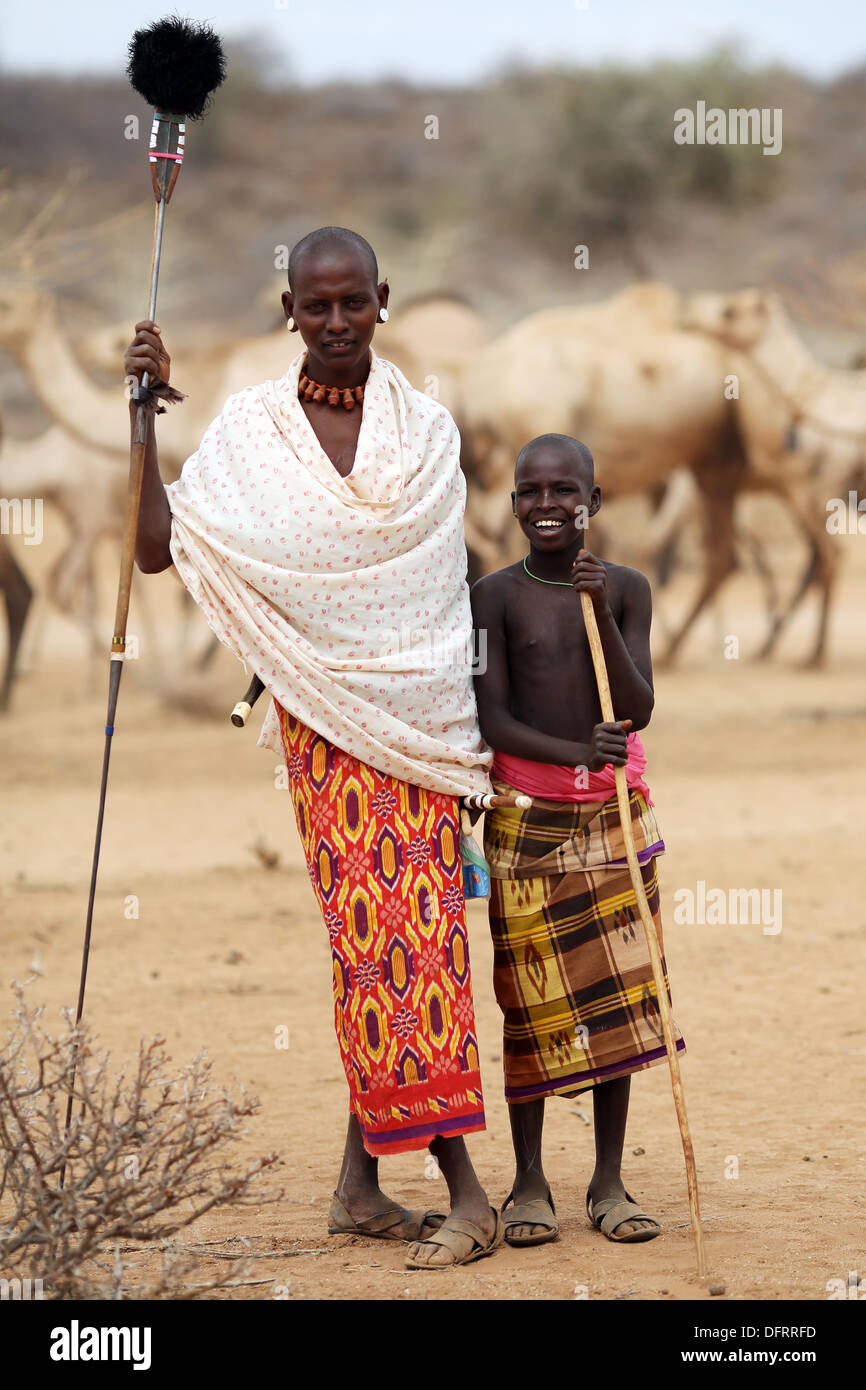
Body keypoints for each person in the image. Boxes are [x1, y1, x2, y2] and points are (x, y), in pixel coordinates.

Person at [124, 226, 504, 1269]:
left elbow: (432, 591)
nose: (334, 321)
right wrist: (143, 423)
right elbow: (159, 549)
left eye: (351, 302)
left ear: (383, 299)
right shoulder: (249, 433)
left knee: (405, 942)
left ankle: (358, 1184)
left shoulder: (426, 434)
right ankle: (465, 1190)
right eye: (313, 304)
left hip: (425, 727)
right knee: (387, 945)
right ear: (286, 309)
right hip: (322, 730)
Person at [469, 432, 685, 1248]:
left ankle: (609, 1180)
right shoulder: (493, 596)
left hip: (613, 820)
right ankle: (528, 1182)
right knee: (527, 1001)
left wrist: (599, 608)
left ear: (595, 503)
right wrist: (571, 753)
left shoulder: (626, 588)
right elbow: (493, 718)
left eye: (566, 491)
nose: (547, 505)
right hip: (527, 817)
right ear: (514, 501)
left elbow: (640, 706)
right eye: (531, 491)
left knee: (618, 999)